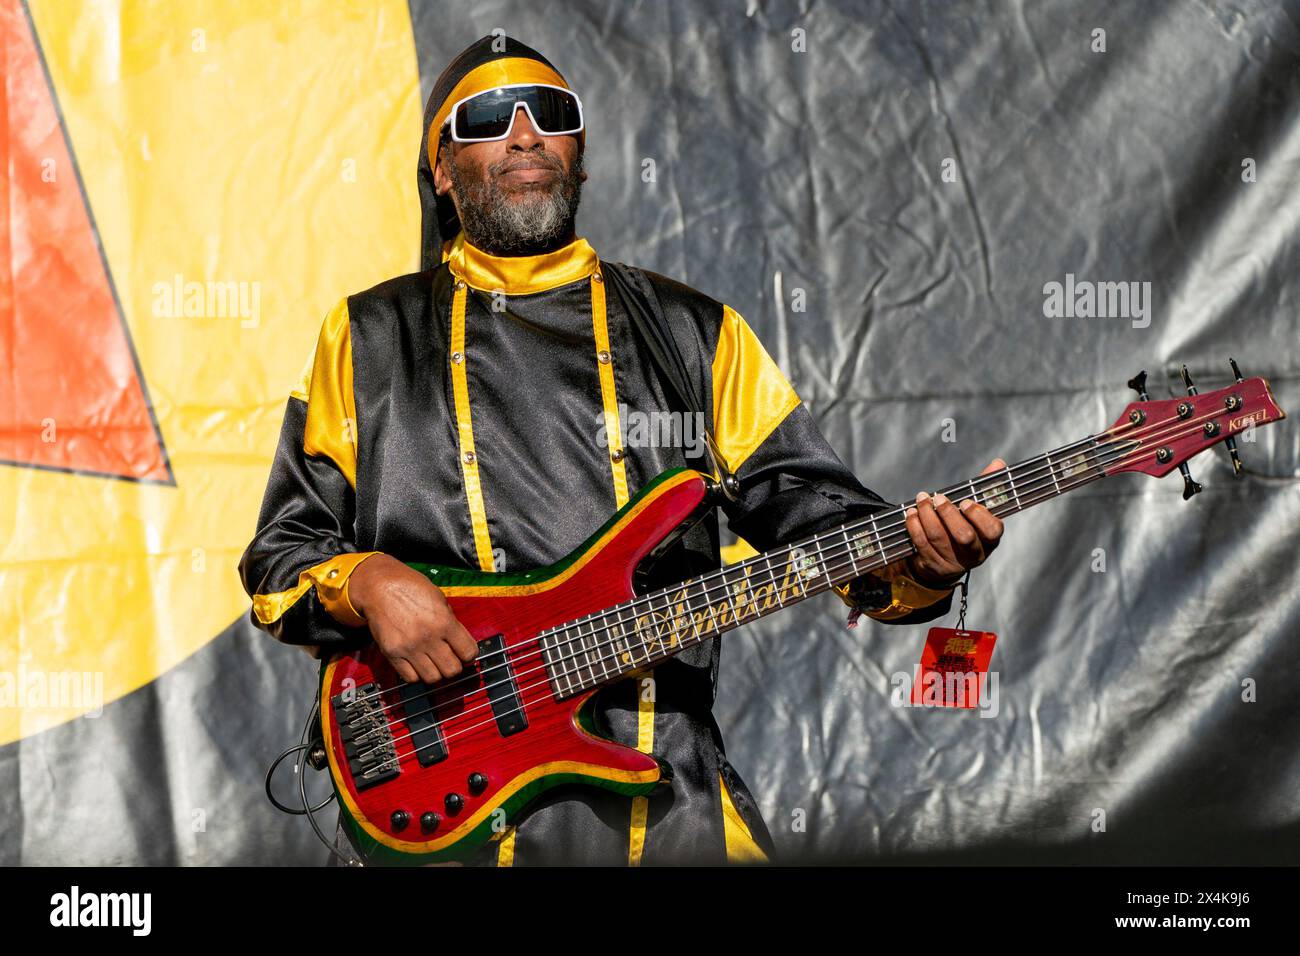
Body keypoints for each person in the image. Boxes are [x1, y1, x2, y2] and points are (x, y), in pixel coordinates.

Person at [238, 35, 1005, 867]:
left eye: (553, 116)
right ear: (442, 173)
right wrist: (372, 579)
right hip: (441, 813)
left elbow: (821, 522)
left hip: (668, 808)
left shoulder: (694, 332)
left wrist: (925, 563)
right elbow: (283, 561)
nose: (526, 134)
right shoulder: (368, 336)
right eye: (490, 119)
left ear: (582, 160)